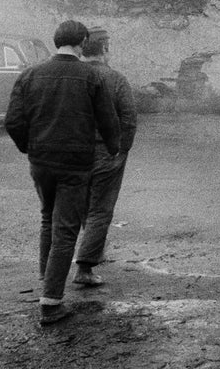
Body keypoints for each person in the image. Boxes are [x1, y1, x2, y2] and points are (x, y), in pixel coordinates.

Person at [4, 20, 120, 325]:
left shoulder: (30, 74)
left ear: (56, 41)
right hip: (75, 164)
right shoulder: (91, 75)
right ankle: (51, 303)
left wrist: (29, 148)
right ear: (81, 43)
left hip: (41, 162)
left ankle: (47, 279)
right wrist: (113, 146)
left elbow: (13, 122)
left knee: (48, 217)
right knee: (66, 229)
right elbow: (108, 122)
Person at [74, 28, 138, 287]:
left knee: (83, 204)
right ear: (105, 49)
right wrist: (122, 149)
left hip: (74, 153)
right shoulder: (115, 78)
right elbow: (129, 118)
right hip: (106, 152)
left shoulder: (71, 76)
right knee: (101, 209)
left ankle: (93, 246)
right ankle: (85, 267)